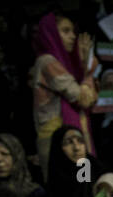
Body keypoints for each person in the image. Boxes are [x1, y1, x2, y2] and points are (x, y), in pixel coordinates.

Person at [30, 11, 98, 170]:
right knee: (65, 187)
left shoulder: (68, 66)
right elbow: (83, 98)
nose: (73, 36)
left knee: (84, 184)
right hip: (56, 139)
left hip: (76, 137)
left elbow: (92, 100)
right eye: (65, 31)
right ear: (50, 34)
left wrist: (83, 65)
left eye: (73, 31)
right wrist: (88, 71)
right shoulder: (47, 62)